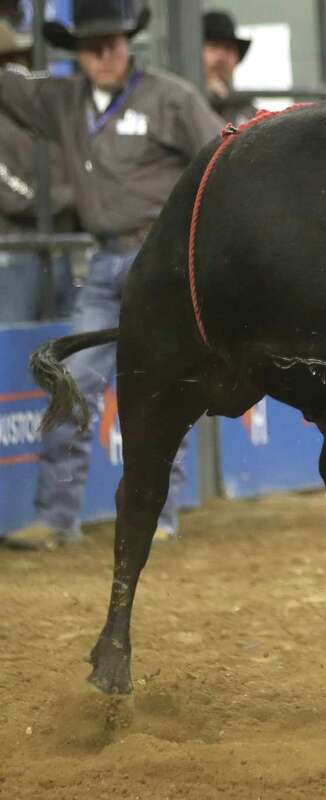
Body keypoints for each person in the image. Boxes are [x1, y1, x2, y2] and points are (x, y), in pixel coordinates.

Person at [1, 0, 223, 550]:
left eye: (113, 43)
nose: (104, 54)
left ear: (128, 43)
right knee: (73, 382)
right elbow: (8, 85)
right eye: (92, 46)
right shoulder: (62, 99)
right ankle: (58, 518)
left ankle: (158, 518)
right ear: (77, 52)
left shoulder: (171, 98)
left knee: (160, 387)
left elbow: (223, 152)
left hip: (162, 260)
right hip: (104, 261)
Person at [0, 21, 75, 323]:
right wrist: (73, 196)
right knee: (13, 341)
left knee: (66, 341)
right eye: (10, 63)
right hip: (15, 252)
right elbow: (13, 196)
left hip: (59, 247)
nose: (19, 72)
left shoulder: (43, 118)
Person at [203, 10, 256, 126]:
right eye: (214, 46)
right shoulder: (181, 103)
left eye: (229, 48)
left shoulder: (246, 110)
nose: (221, 57)